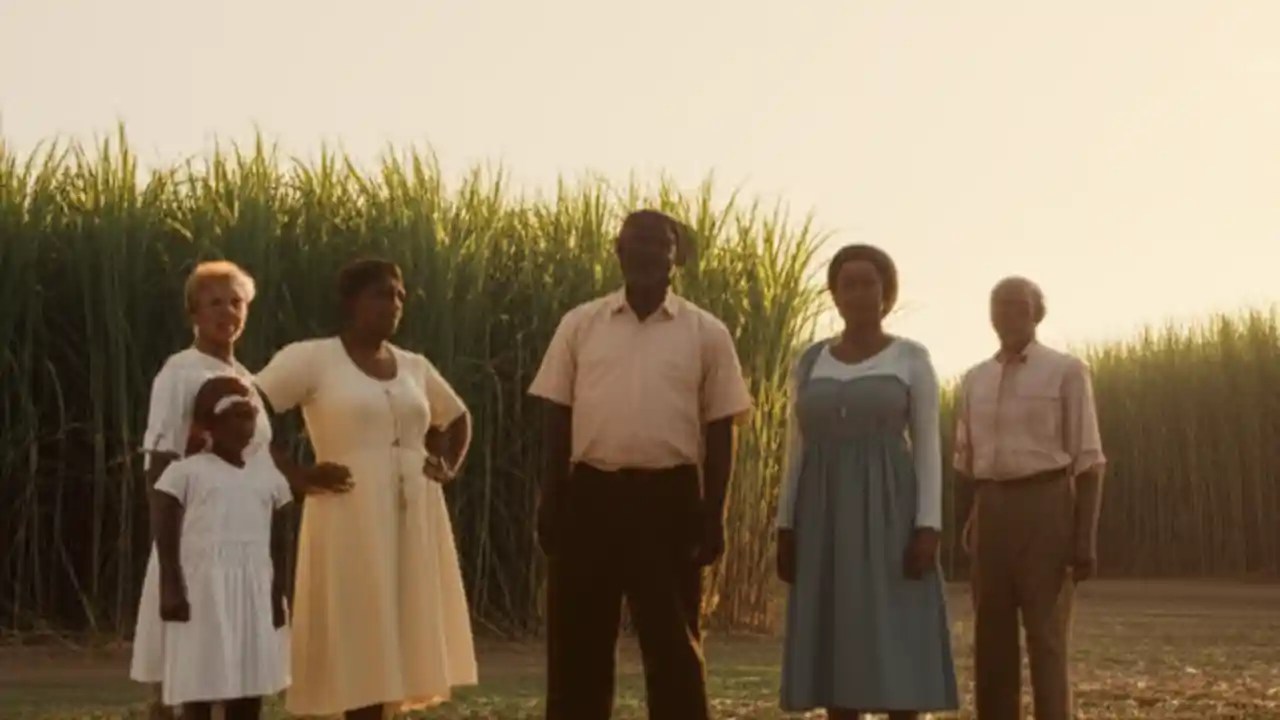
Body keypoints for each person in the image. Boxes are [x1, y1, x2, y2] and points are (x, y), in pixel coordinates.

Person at [528, 209, 753, 720]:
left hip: (668, 501)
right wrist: (552, 496)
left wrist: (713, 512)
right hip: (590, 496)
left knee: (674, 647)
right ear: (617, 251)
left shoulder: (706, 332)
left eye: (661, 244)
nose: (648, 253)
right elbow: (556, 415)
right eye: (637, 243)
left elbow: (720, 429)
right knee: (577, 646)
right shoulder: (580, 324)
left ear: (676, 257)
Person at [254, 258, 477, 720]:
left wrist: (447, 465)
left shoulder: (415, 366)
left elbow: (456, 417)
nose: (393, 303)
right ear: (351, 301)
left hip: (414, 514)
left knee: (400, 627)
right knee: (360, 626)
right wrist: (296, 474)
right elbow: (248, 405)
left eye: (399, 295)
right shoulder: (312, 357)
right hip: (347, 510)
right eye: (381, 293)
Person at [775, 245, 958, 719]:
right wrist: (786, 524)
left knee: (896, 626)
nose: (858, 293)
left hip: (890, 509)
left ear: (886, 293)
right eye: (848, 284)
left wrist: (928, 526)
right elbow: (796, 447)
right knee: (837, 630)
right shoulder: (810, 360)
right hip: (823, 511)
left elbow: (927, 448)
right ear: (833, 294)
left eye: (868, 283)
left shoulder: (909, 358)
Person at [953, 276, 1106, 720]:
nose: (1006, 315)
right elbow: (965, 461)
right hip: (991, 506)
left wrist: (1085, 537)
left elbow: (1090, 459)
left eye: (1017, 306)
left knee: (1046, 635)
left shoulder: (1066, 371)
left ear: (1037, 312)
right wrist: (972, 520)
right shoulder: (974, 380)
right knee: (991, 635)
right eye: (998, 306)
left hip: (1046, 502)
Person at [152, 376, 292, 719]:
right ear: (212, 423)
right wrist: (170, 585)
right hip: (204, 590)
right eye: (237, 415)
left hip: (253, 589)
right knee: (201, 679)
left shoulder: (268, 477)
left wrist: (278, 594)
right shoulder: (185, 473)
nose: (247, 423)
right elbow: (165, 533)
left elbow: (280, 540)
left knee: (248, 682)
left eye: (251, 415)